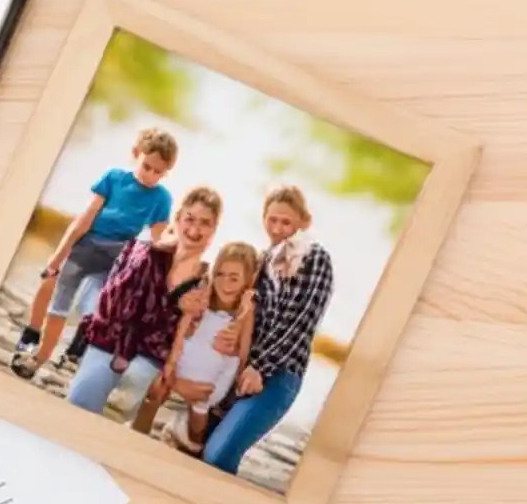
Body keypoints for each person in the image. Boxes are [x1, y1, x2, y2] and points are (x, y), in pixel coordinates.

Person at [10, 128, 178, 380]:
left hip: (116, 258)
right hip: (85, 247)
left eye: (159, 172)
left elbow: (157, 240)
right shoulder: (113, 178)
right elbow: (85, 218)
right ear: (136, 154)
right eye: (147, 167)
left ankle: (58, 354)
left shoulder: (161, 198)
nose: (151, 176)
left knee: (94, 306)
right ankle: (37, 347)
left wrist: (177, 244)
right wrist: (59, 255)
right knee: (59, 304)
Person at [200, 185, 335, 475]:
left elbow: (301, 321)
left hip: (278, 374)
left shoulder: (314, 257)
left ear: (304, 222)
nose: (277, 228)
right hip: (241, 372)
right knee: (196, 447)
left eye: (286, 222)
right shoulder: (261, 261)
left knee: (218, 456)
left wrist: (260, 367)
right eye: (272, 220)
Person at [64, 186, 223, 419]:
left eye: (205, 223)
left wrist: (169, 369)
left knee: (123, 401)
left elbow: (183, 333)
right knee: (77, 407)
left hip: (150, 356)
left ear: (213, 230)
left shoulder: (202, 281)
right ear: (178, 218)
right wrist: (173, 307)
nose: (195, 230)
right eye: (189, 219)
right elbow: (116, 305)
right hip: (111, 339)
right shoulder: (146, 251)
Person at [132, 242, 261, 453]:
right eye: (220, 274)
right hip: (185, 363)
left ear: (248, 281)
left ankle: (193, 442)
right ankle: (137, 431)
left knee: (200, 410)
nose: (225, 283)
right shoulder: (203, 296)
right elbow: (182, 331)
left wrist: (245, 311)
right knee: (156, 389)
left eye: (234, 278)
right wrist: (171, 365)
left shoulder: (245, 312)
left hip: (212, 378)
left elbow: (243, 350)